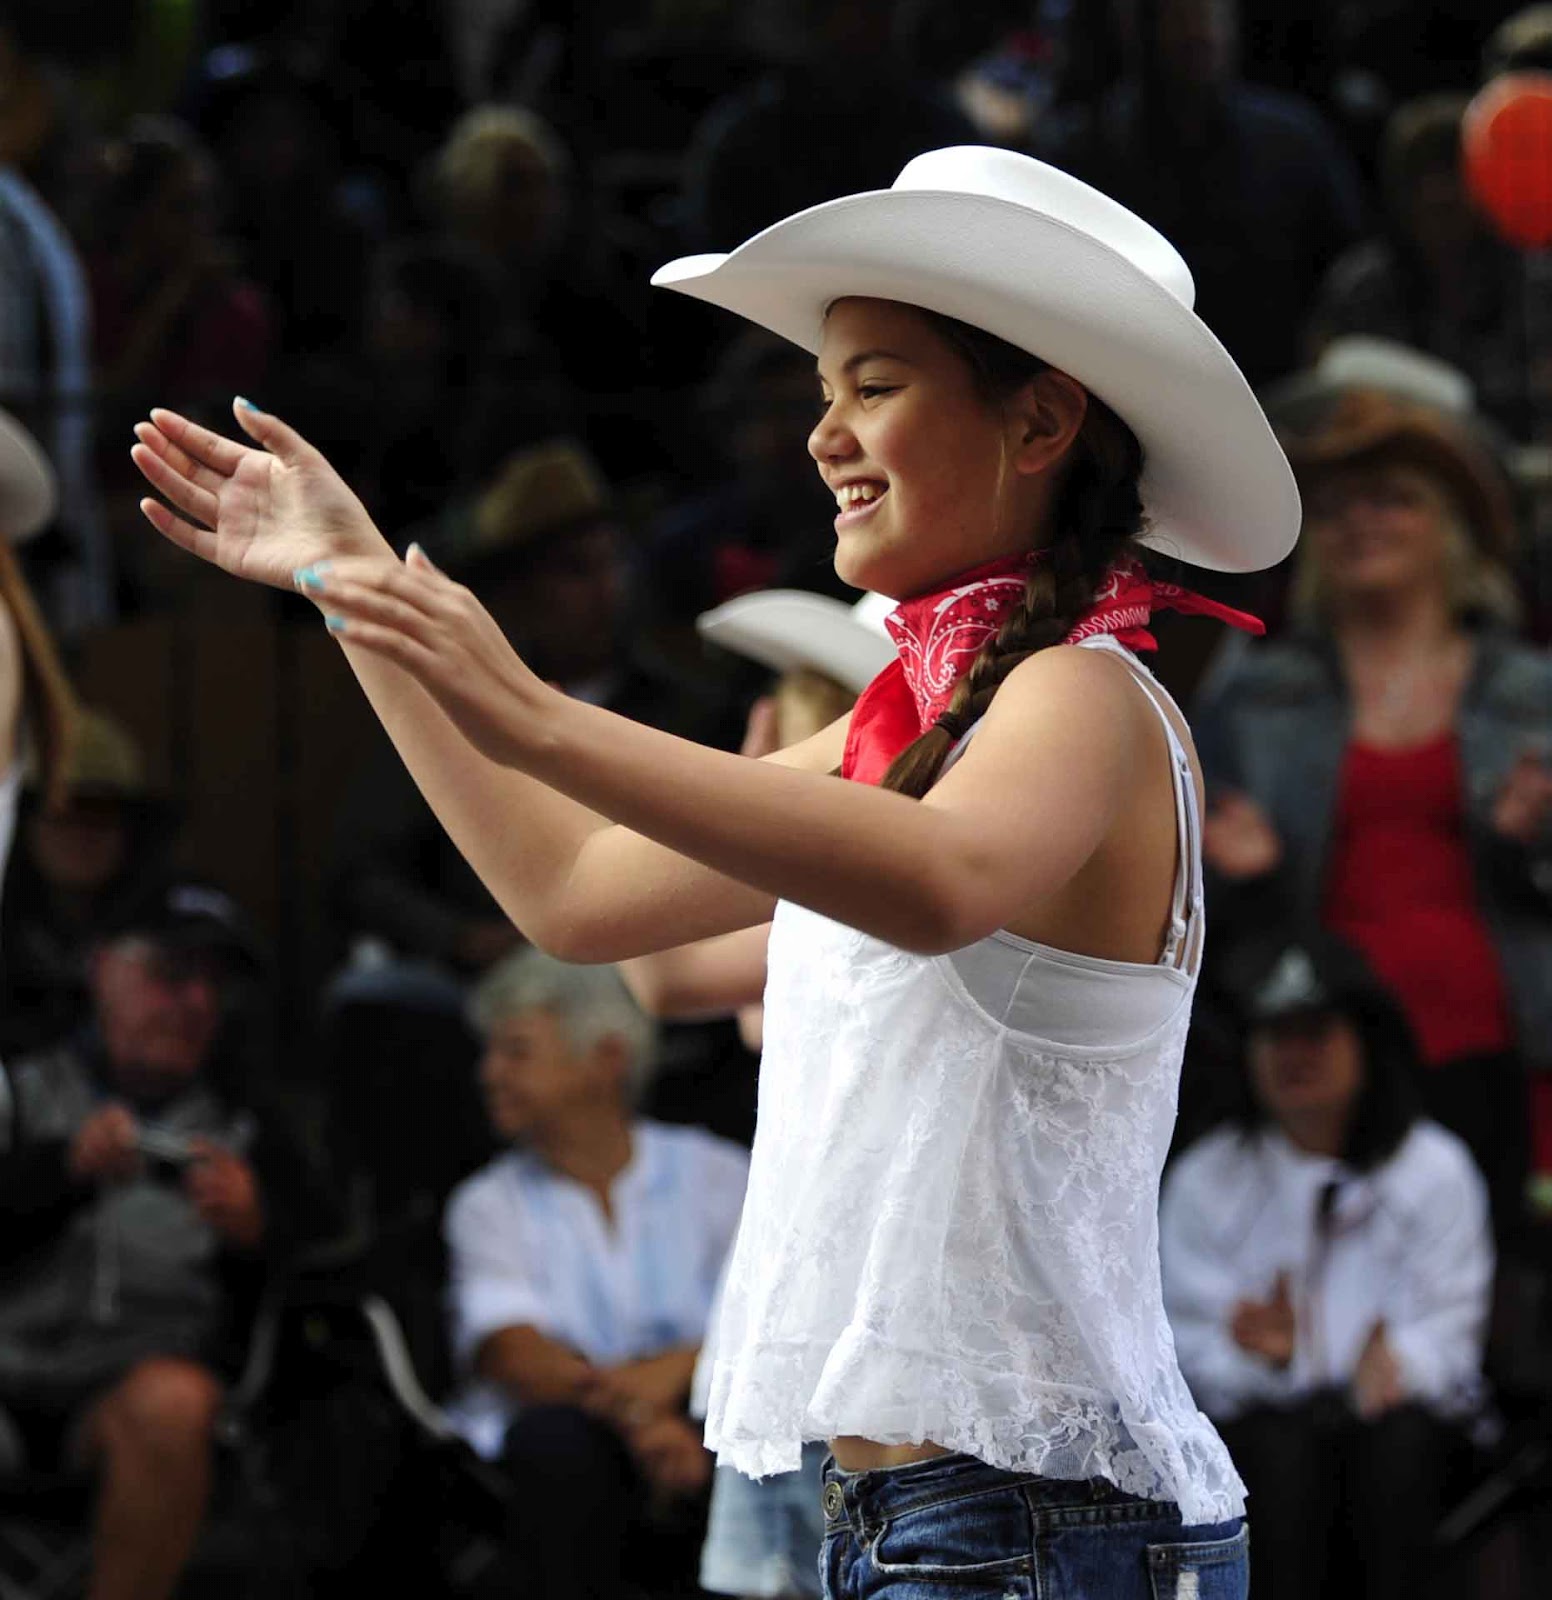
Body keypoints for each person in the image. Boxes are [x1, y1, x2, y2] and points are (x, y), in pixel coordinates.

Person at [129, 144, 1304, 1596]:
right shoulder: (920, 724)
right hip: (937, 1520)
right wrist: (357, 596)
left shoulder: (1087, 695)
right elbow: (573, 898)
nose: (822, 434)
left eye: (872, 384)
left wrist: (538, 708)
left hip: (1032, 1520)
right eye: (824, 393)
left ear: (1042, 419)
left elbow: (941, 877)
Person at [1194, 386, 1550, 1243]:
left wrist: (1529, 851)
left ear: (1454, 528)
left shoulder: (1535, 694)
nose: (1363, 522)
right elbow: (1184, 897)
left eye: (1396, 499)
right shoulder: (1251, 693)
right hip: (1321, 1055)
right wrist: (1243, 880)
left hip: (1507, 1049)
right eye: (1337, 507)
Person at [621, 586, 892, 1600]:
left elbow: (667, 970)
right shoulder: (862, 882)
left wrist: (741, 792)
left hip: (850, 1307)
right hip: (811, 1294)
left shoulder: (870, 884)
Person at [0, 879, 332, 1600]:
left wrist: (257, 1232)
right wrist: (59, 1173)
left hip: (130, 1395)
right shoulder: (18, 1091)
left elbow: (328, 1288)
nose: (197, 1006)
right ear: (101, 970)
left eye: (215, 988)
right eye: (171, 977)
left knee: (174, 1403)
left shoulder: (248, 1128)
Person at [1161, 930, 1493, 1600]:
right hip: (1263, 1430)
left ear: (1363, 1044)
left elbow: (1450, 1326)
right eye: (1274, 1035)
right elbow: (1184, 1345)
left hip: (1401, 1422)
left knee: (1397, 1452)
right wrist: (1270, 1361)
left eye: (1315, 1032)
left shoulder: (1434, 1169)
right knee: (1276, 1457)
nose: (1294, 1055)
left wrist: (1396, 1365)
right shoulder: (1206, 1178)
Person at [442, 947, 748, 1598]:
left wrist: (657, 1394)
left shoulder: (715, 1174)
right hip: (572, 1424)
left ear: (606, 1058)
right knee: (557, 1448)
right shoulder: (487, 1203)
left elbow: (763, 1331)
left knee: (761, 1450)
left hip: (699, 1414)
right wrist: (637, 1415)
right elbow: (517, 1356)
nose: (488, 1073)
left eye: (516, 1051)